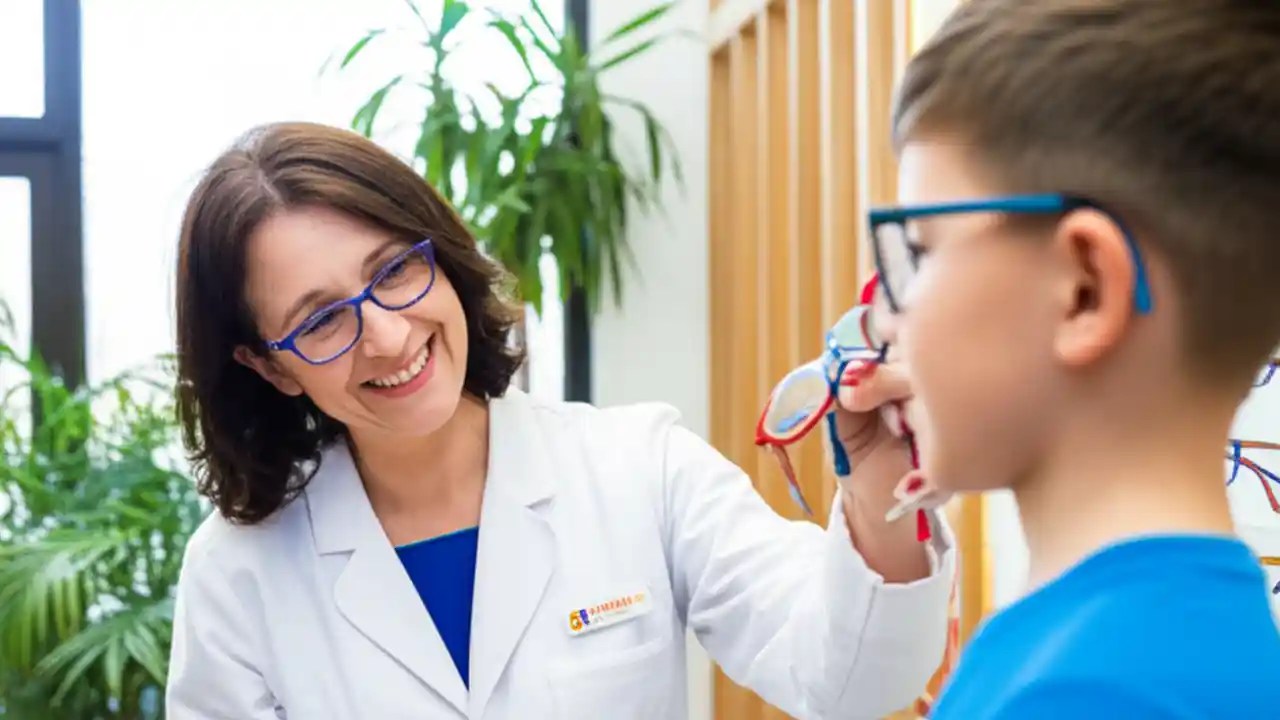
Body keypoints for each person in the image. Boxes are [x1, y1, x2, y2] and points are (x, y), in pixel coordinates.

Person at [164, 121, 955, 719]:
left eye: (396, 271)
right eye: (322, 320)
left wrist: (882, 485)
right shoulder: (240, 574)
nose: (390, 336)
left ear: (439, 254)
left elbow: (853, 681)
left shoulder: (639, 468)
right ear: (268, 365)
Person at [867, 0, 1280, 717]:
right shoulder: (1187, 636)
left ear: (1084, 290)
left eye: (921, 250)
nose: (884, 318)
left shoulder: (1087, 693)